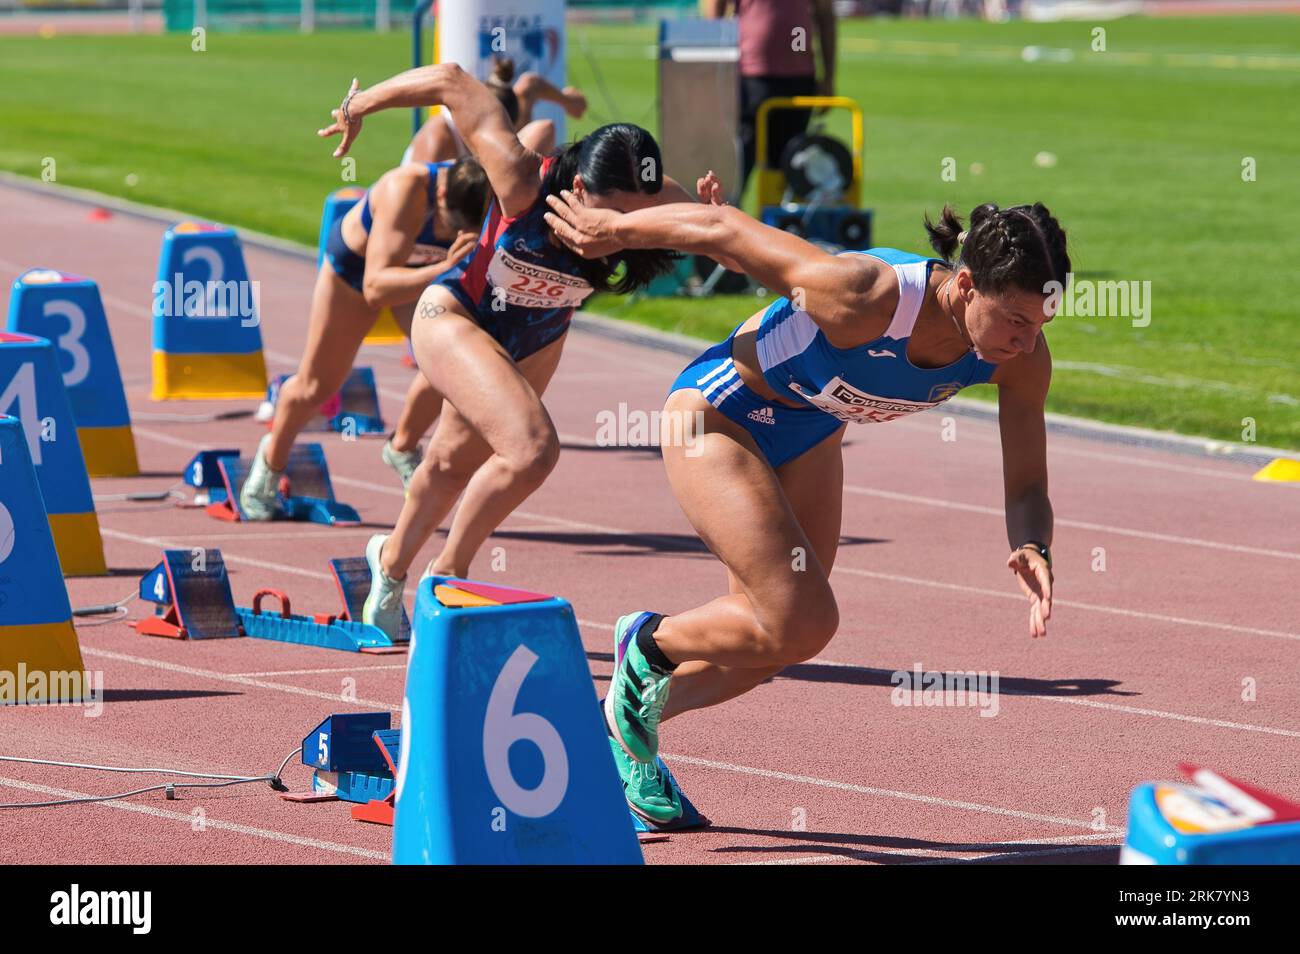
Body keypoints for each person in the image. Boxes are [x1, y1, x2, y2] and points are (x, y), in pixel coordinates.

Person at [544, 190, 1069, 824]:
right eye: (1015, 320)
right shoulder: (866, 294)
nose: (1026, 340)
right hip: (720, 416)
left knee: (772, 646)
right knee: (803, 618)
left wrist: (1033, 544)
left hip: (812, 437)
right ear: (965, 286)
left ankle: (624, 730)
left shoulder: (1019, 359)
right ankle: (647, 642)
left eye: (1041, 324)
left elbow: (1026, 488)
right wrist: (616, 227)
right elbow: (722, 228)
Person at [316, 64, 707, 637]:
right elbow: (451, 81)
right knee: (532, 451)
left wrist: (714, 216)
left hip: (537, 336)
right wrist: (361, 105)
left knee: (450, 464)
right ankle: (448, 580)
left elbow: (732, 240)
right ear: (578, 189)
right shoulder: (522, 177)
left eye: (635, 215)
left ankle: (389, 565)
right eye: (612, 214)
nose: (623, 227)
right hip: (455, 315)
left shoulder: (654, 200)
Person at [238, 156, 489, 517]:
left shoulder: (484, 193)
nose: (451, 234)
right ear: (443, 192)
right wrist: (446, 268)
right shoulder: (406, 190)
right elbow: (376, 288)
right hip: (356, 279)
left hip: (419, 276)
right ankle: (269, 465)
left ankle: (402, 447)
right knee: (316, 386)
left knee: (451, 363)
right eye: (450, 225)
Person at [384, 59, 586, 478]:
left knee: (467, 357)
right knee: (443, 354)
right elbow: (413, 208)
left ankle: (422, 446)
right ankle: (403, 445)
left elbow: (533, 98)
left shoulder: (509, 147)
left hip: (482, 237)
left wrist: (567, 101)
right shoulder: (440, 142)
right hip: (425, 237)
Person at [707, 0, 837, 194]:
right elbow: (715, 10)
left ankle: (775, 221)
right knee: (736, 168)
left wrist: (828, 78)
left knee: (787, 167)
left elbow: (825, 15)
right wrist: (712, 65)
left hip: (799, 78)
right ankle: (723, 219)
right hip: (750, 76)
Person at [403, 58, 587, 165]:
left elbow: (530, 85)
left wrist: (570, 102)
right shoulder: (439, 137)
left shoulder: (517, 116)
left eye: (507, 134)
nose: (501, 143)